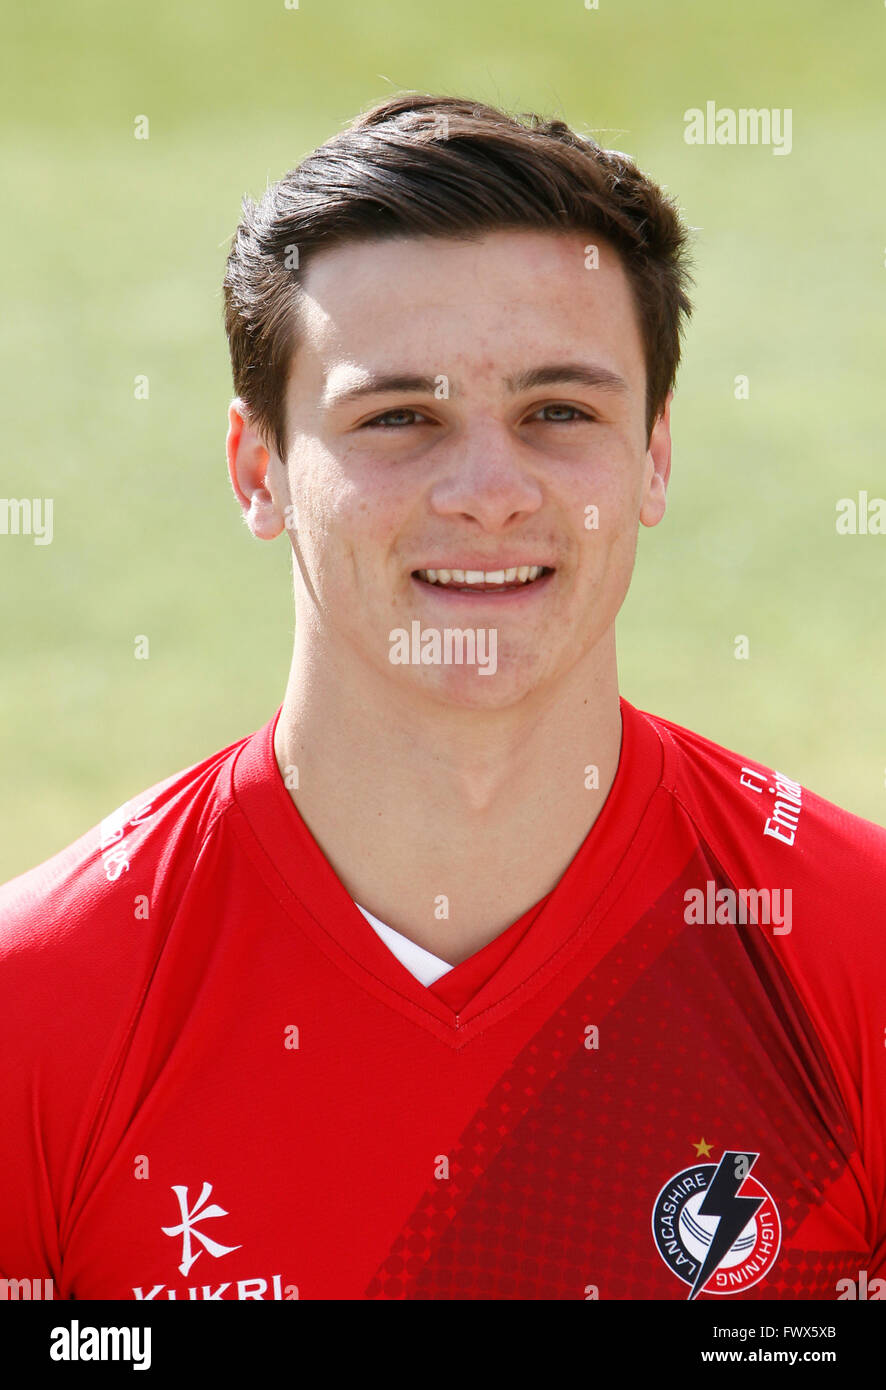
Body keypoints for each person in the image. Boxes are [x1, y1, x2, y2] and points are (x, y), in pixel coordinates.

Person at [1, 92, 884, 1303]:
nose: (486, 489)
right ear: (259, 471)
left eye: (558, 411)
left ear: (655, 456)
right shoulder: (36, 1008)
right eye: (399, 416)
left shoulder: (854, 962)